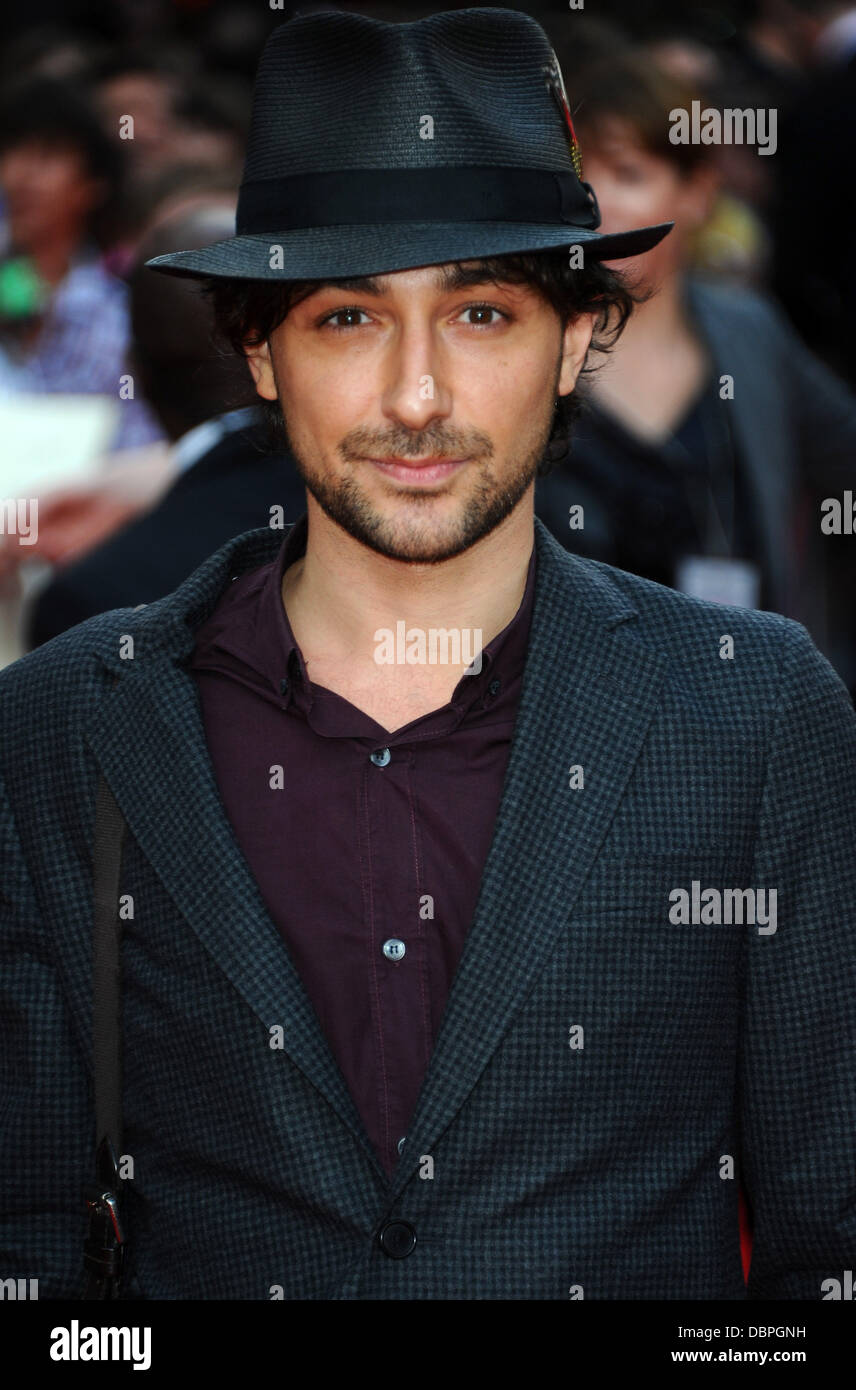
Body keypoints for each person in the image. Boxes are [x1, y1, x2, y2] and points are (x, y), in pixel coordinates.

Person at [1, 8, 854, 1302]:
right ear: (260, 351)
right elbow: (28, 1233)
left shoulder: (756, 710)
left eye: (482, 316)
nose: (415, 397)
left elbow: (828, 1240)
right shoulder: (65, 721)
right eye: (348, 318)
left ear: (573, 342)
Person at [533, 51, 856, 699]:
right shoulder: (522, 342)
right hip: (581, 716)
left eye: (627, 173)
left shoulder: (750, 332)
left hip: (749, 711)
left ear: (700, 193)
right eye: (578, 176)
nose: (596, 204)